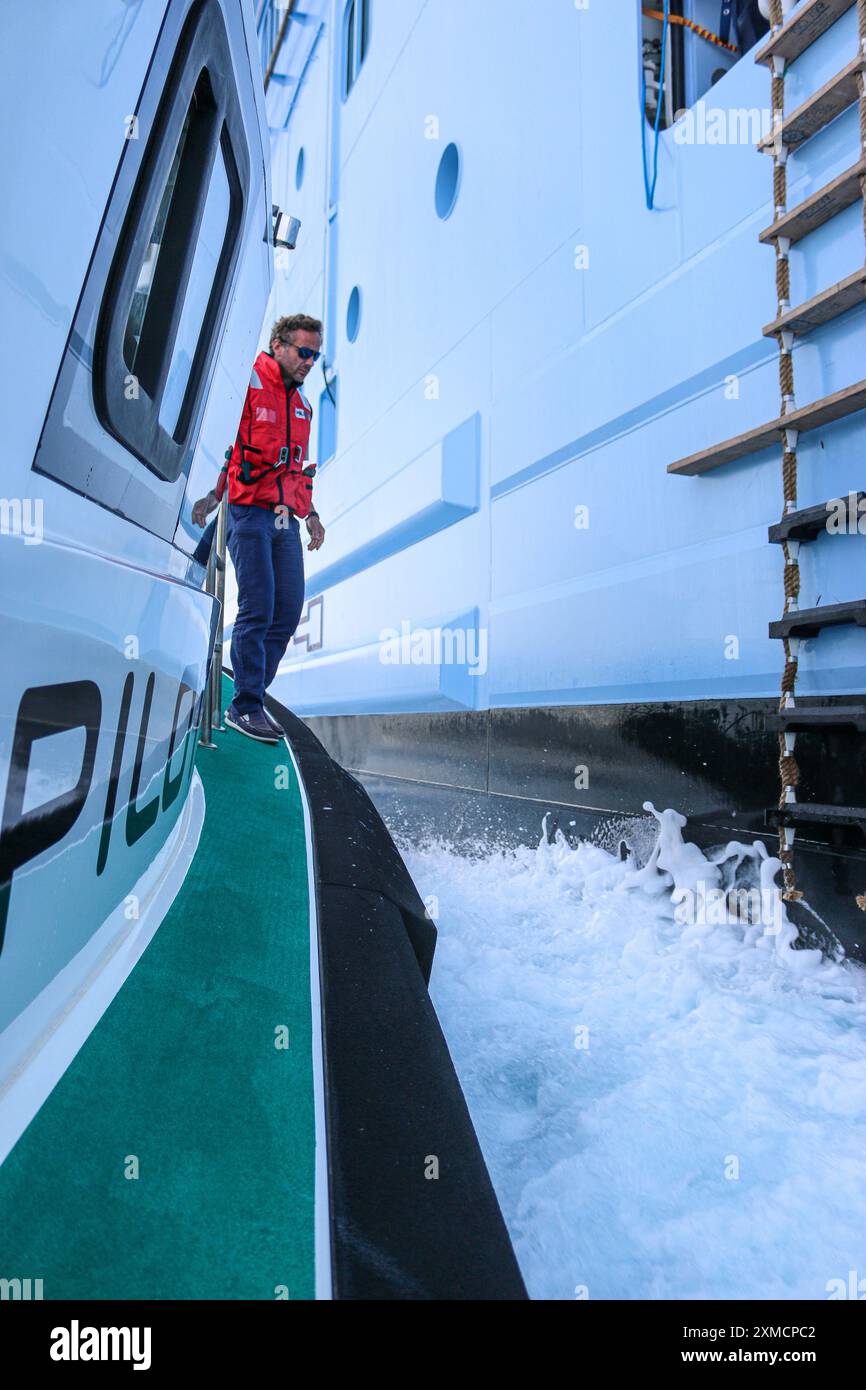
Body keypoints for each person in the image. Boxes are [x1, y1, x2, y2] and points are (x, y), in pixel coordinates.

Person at [192, 314, 326, 743]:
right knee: (259, 606)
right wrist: (213, 499)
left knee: (287, 611)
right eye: (304, 352)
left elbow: (293, 468)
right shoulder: (247, 384)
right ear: (279, 345)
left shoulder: (303, 406)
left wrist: (312, 516)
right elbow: (227, 448)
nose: (309, 362)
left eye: (315, 355)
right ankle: (246, 705)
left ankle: (250, 697)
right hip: (247, 512)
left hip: (285, 518)